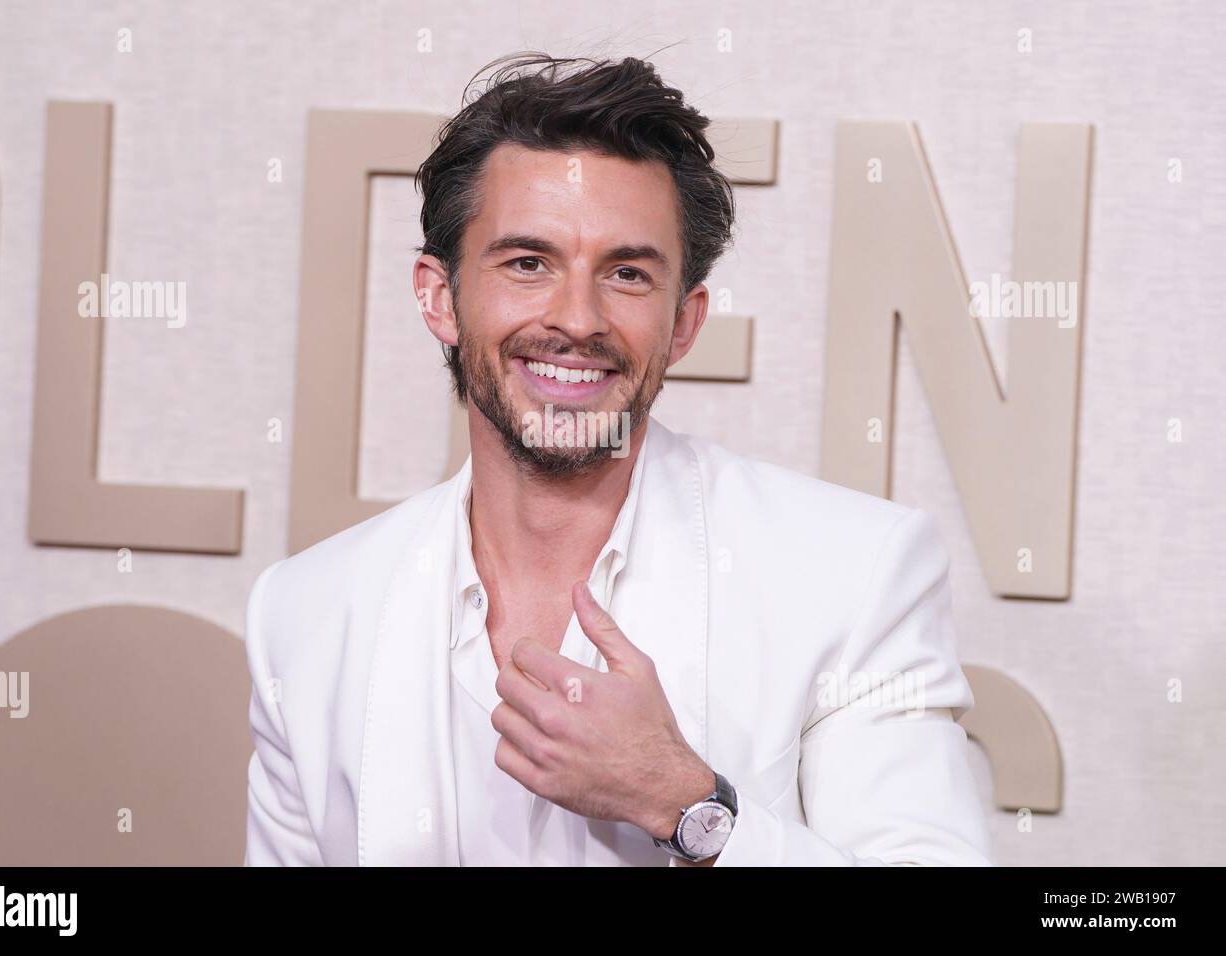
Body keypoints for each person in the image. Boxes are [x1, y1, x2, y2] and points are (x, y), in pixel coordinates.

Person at [244, 53, 992, 866]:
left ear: (683, 323)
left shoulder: (855, 574)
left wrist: (685, 804)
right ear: (439, 296)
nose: (576, 318)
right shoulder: (305, 613)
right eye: (527, 263)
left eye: (627, 273)